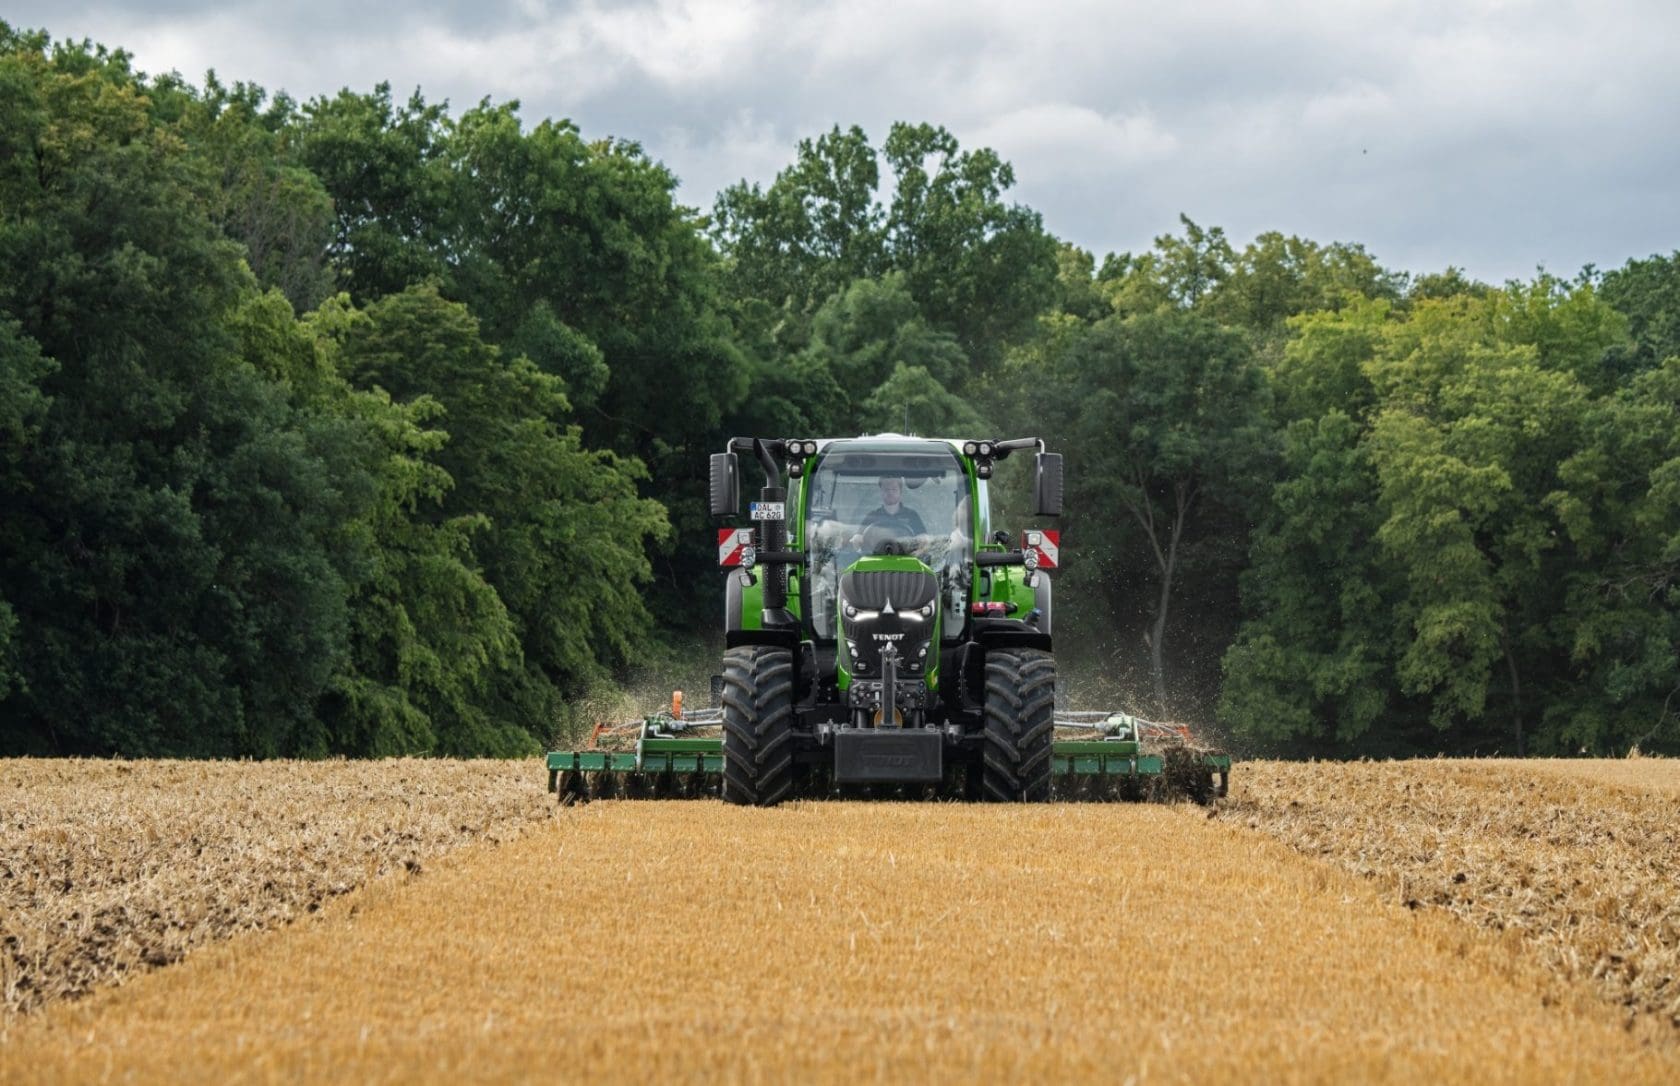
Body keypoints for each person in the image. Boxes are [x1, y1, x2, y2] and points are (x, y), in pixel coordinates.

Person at [860, 476, 926, 536]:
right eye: (886, 489)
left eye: (894, 489)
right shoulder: (872, 516)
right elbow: (858, 538)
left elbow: (923, 539)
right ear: (881, 492)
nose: (890, 493)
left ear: (900, 492)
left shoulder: (912, 515)